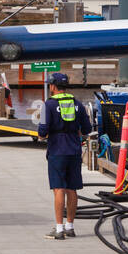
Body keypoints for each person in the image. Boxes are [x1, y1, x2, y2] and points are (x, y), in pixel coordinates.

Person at [37, 71, 91, 239]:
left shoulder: (49, 105)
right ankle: (70, 226)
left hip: (57, 150)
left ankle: (59, 229)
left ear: (52, 86)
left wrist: (42, 135)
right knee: (72, 188)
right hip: (74, 150)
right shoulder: (78, 104)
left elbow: (42, 131)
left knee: (58, 188)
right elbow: (87, 129)